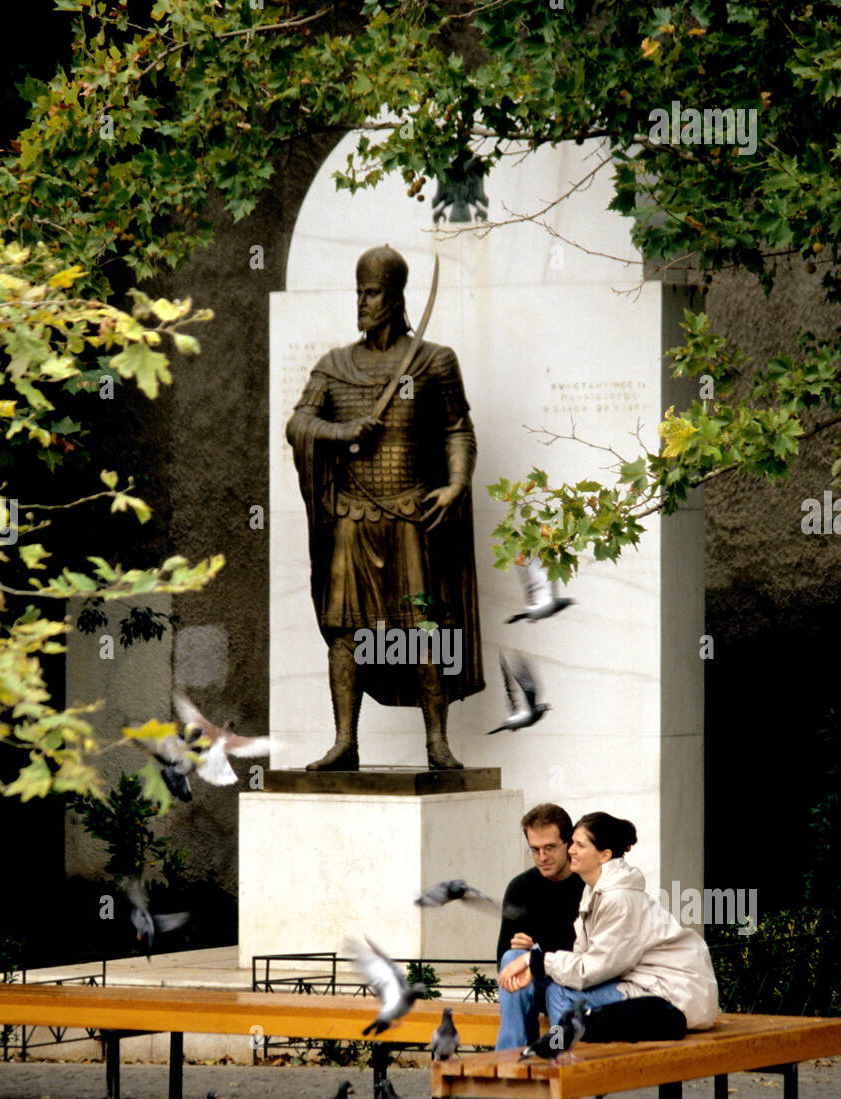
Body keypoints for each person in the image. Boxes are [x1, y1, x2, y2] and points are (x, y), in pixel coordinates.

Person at [286, 245, 484, 771]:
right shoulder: (334, 366)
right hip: (353, 519)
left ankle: (437, 741)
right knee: (347, 631)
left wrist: (457, 483)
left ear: (396, 298)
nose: (363, 303)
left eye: (372, 293)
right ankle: (345, 741)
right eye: (359, 292)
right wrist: (342, 429)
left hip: (409, 517)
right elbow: (299, 424)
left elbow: (457, 429)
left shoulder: (434, 361)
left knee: (421, 629)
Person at [499, 811, 719, 1033]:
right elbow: (588, 962)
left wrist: (535, 959)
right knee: (532, 973)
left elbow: (591, 969)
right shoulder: (595, 890)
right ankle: (530, 1057)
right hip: (642, 988)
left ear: (604, 855)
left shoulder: (618, 899)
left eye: (579, 845)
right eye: (535, 850)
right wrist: (531, 959)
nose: (571, 850)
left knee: (560, 993)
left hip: (674, 999)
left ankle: (566, 1061)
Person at [495, 804, 584, 1050]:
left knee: (556, 989)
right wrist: (521, 954)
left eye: (550, 848)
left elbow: (588, 957)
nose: (542, 857)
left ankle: (556, 1067)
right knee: (513, 957)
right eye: (535, 850)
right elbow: (502, 959)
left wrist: (535, 953)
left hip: (574, 984)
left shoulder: (587, 885)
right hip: (531, 985)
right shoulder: (521, 887)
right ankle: (511, 1059)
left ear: (568, 843)